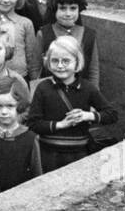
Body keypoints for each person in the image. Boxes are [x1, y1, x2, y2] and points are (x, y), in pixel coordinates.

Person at [27, 36, 116, 171]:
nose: (60, 65)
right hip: (48, 154)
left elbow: (112, 115)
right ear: (48, 62)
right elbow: (33, 124)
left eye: (66, 61)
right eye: (55, 61)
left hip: (79, 153)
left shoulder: (87, 88)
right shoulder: (43, 88)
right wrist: (61, 125)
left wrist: (88, 116)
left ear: (77, 63)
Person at [0, 81, 43, 191]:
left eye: (10, 106)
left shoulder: (29, 138)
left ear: (20, 105)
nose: (4, 112)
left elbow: (37, 174)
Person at [36, 0, 99, 86]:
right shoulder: (43, 34)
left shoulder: (89, 35)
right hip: (51, 92)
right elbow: (36, 68)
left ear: (79, 9)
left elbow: (93, 70)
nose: (68, 14)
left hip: (80, 93)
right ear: (54, 9)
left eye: (73, 8)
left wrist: (94, 95)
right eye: (62, 8)